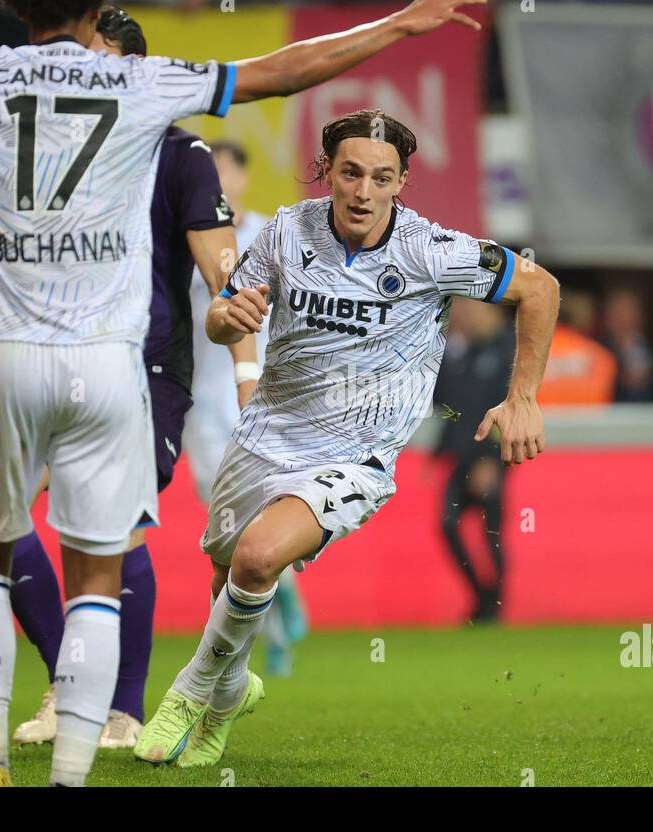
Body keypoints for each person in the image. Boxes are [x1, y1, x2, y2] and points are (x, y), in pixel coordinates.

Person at [0, 0, 489, 787]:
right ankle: (74, 772)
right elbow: (282, 72)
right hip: (109, 366)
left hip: (8, 352)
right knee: (100, 569)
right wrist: (397, 25)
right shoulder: (140, 86)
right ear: (95, 13)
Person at [133, 108, 560, 769]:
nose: (364, 191)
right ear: (326, 170)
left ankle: (191, 692)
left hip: (355, 455)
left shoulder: (431, 250)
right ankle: (230, 690)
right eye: (352, 173)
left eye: (382, 178)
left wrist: (523, 394)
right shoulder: (283, 231)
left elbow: (540, 287)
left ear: (401, 182)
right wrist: (226, 317)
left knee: (255, 558)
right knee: (228, 577)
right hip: (266, 432)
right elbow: (225, 316)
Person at [0, 6, 258, 751]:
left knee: (113, 529)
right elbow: (38, 286)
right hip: (47, 355)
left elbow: (225, 275)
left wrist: (246, 363)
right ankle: (73, 687)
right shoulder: (57, 152)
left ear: (130, 73)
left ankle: (121, 708)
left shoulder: (181, 156)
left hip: (146, 366)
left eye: (100, 62)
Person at [182, 140, 308, 678]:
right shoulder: (188, 237)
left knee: (257, 516)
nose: (217, 180)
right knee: (226, 518)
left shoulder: (268, 233)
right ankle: (282, 604)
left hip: (259, 393)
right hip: (200, 399)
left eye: (224, 169)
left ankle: (273, 625)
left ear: (243, 176)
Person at [432, 299, 514, 623]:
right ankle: (482, 596)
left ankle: (496, 605)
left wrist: (493, 460)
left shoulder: (509, 351)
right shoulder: (462, 352)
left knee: (491, 531)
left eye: (472, 309)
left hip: (489, 458)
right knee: (447, 525)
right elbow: (446, 405)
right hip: (461, 459)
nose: (466, 316)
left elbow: (510, 408)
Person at [600, 287, 653, 402]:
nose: (625, 321)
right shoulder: (598, 354)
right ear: (608, 320)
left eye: (630, 314)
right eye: (619, 315)